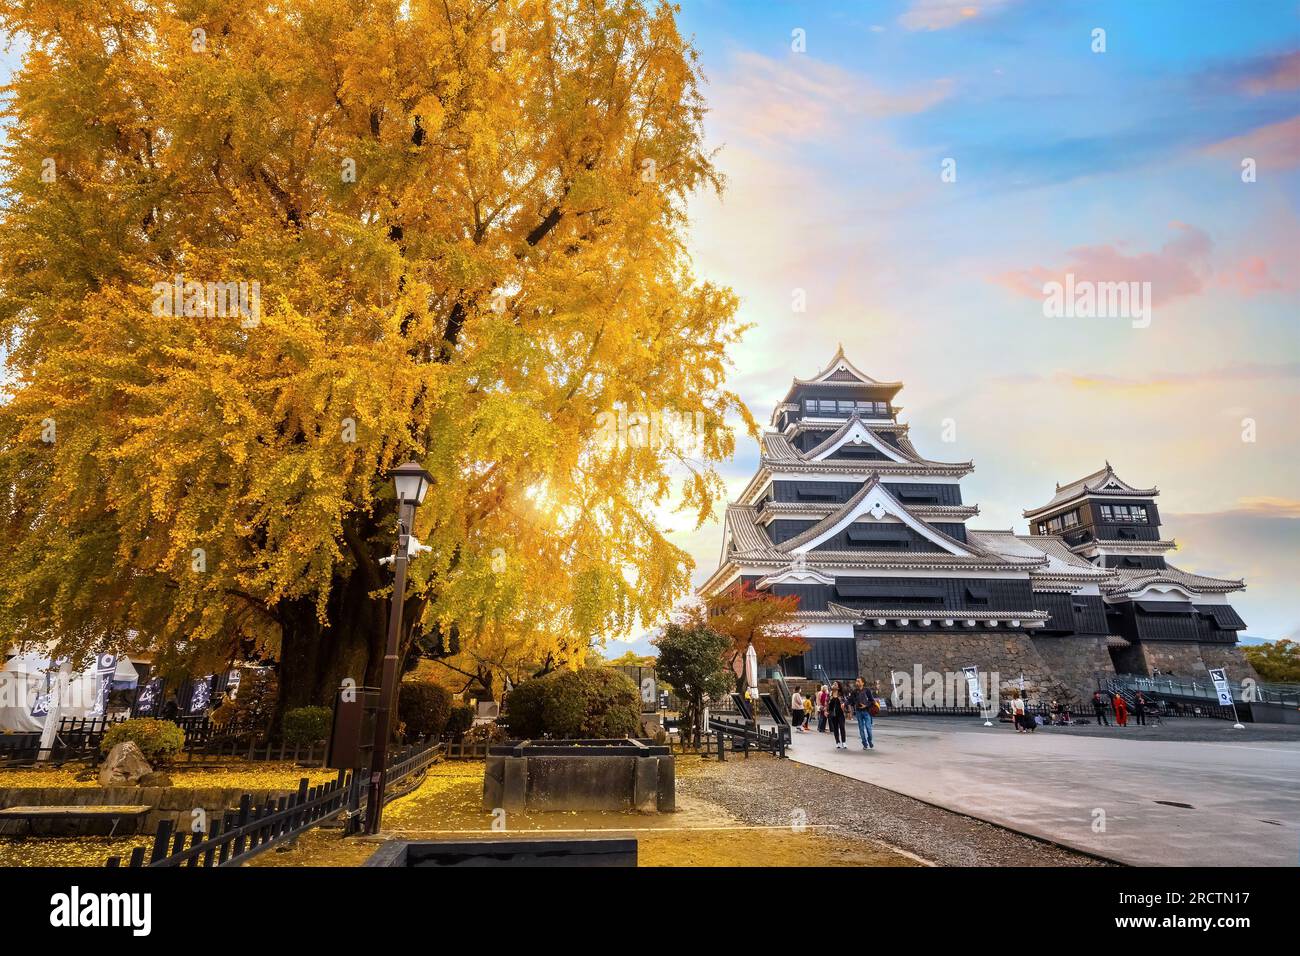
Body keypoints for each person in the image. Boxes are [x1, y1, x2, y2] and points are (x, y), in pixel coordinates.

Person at [851, 677, 876, 750]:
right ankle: (864, 743)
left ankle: (869, 740)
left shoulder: (867, 690)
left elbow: (872, 701)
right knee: (861, 729)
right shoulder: (855, 691)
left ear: (862, 683)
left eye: (858, 681)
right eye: (856, 681)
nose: (857, 683)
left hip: (866, 712)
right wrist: (844, 704)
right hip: (858, 712)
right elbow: (850, 699)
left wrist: (866, 705)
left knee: (868, 728)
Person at [827, 682, 848, 749]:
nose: (833, 685)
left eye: (835, 684)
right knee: (835, 728)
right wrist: (825, 711)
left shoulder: (841, 695)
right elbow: (826, 703)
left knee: (842, 727)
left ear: (838, 687)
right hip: (832, 714)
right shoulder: (829, 695)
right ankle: (837, 742)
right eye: (833, 684)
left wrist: (844, 704)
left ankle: (844, 742)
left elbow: (845, 702)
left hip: (840, 713)